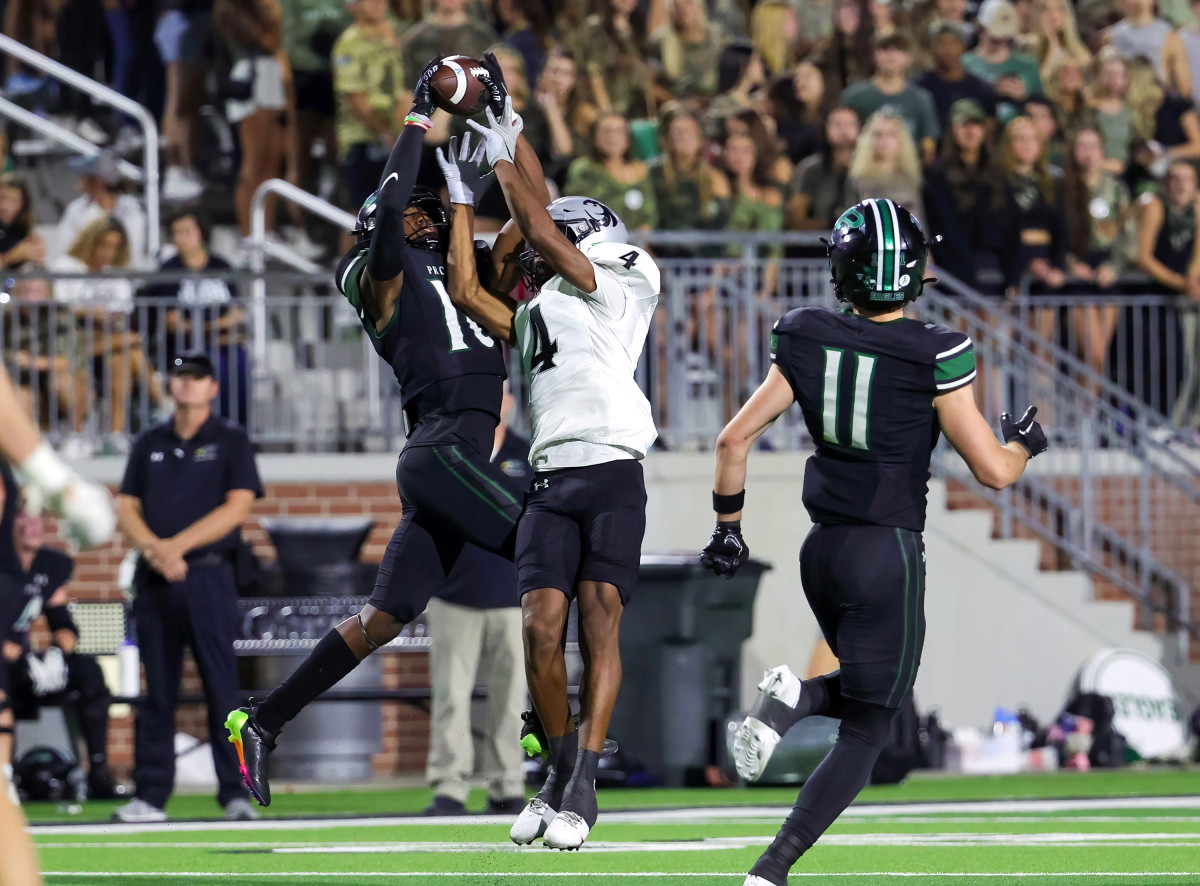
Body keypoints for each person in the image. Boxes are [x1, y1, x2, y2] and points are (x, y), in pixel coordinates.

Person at [698, 197, 1047, 886]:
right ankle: (771, 869)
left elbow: (732, 439)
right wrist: (1026, 444)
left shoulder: (803, 333)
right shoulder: (938, 349)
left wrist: (728, 533)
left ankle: (793, 701)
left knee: (864, 694)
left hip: (820, 550)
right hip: (885, 551)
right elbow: (994, 472)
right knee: (870, 728)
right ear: (913, 271)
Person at [223, 58, 525, 811]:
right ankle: (552, 731)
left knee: (386, 616)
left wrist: (506, 139)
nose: (432, 211)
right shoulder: (375, 273)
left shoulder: (464, 265)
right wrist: (418, 120)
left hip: (453, 455)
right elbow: (392, 221)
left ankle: (263, 718)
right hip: (442, 448)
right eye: (420, 205)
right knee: (549, 545)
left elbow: (527, 227)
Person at [448, 73, 660, 849]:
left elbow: (539, 224)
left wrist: (503, 132)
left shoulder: (629, 273)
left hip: (610, 466)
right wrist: (459, 187)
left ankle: (584, 784)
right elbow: (471, 290)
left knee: (600, 627)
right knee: (542, 629)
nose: (530, 259)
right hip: (549, 475)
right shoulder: (540, 308)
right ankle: (557, 770)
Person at [113, 350, 262, 823]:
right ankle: (150, 796)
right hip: (157, 580)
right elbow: (126, 508)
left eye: (196, 378)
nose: (187, 385)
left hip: (209, 576)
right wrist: (158, 551)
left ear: (212, 388)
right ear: (170, 386)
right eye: (180, 378)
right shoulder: (149, 441)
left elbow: (237, 508)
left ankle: (238, 794)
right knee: (156, 694)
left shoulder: (230, 440)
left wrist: (174, 547)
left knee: (223, 690)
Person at [424, 384, 532, 817]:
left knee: (511, 699)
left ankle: (508, 784)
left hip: (512, 595)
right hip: (454, 593)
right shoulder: (448, 451)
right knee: (450, 695)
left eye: (500, 393)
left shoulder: (531, 452)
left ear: (509, 401)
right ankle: (450, 787)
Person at [0, 486, 122, 801]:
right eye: (24, 522)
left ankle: (98, 771)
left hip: (22, 663)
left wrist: (56, 652)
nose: (32, 528)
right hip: (4, 662)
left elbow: (62, 622)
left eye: (38, 521)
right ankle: (6, 777)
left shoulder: (51, 564)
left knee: (88, 673)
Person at [141, 210, 245, 425]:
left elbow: (236, 314)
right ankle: (214, 426)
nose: (181, 237)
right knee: (213, 367)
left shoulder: (220, 265)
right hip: (182, 350)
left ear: (201, 233)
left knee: (241, 366)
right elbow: (173, 323)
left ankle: (239, 428)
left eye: (187, 231)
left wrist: (202, 326)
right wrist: (213, 328)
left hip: (225, 342)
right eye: (176, 233)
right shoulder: (168, 271)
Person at [332, 0, 407, 219]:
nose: (376, 4)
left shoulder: (394, 34)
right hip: (363, 141)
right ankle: (353, 255)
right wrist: (386, 132)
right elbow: (357, 99)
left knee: (396, 212)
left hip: (397, 135)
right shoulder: (349, 44)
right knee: (361, 215)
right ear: (353, 7)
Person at [839, 33, 940, 165]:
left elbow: (928, 146)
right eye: (885, 49)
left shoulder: (922, 99)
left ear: (909, 58)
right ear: (874, 56)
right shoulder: (854, 97)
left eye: (898, 49)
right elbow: (843, 139)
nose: (891, 55)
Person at [563, 112, 658, 232]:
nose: (613, 137)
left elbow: (649, 215)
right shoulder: (584, 169)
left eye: (619, 131)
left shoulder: (641, 169)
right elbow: (577, 212)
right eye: (606, 131)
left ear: (628, 137)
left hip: (638, 243)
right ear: (595, 136)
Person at [55, 151, 148, 269]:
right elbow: (64, 249)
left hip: (125, 276)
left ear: (99, 181)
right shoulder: (76, 209)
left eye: (83, 177)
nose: (78, 184)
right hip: (83, 277)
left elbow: (133, 252)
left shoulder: (131, 209)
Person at [785, 106, 860, 231]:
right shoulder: (810, 169)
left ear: (860, 129)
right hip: (820, 243)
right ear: (825, 130)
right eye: (837, 124)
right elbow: (795, 219)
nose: (843, 130)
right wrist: (831, 225)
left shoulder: (873, 170)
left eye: (849, 124)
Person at [914, 20, 996, 131]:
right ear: (931, 48)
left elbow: (989, 127)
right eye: (940, 43)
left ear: (963, 47)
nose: (946, 50)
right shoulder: (920, 87)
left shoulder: (980, 88)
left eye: (953, 43)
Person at [0, 174, 46, 270]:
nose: (6, 207)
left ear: (23, 204)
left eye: (14, 201)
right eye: (2, 198)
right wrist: (12, 256)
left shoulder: (26, 230)